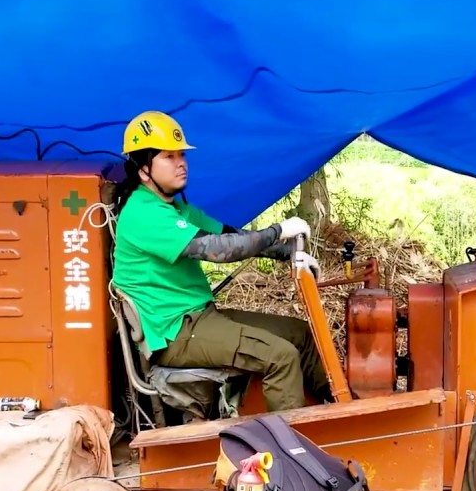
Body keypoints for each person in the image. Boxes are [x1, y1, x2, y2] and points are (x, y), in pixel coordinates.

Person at [110, 110, 332, 412]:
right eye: (169, 157)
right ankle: (290, 450)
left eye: (182, 156)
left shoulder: (176, 209)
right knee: (280, 356)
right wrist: (279, 230)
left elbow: (230, 236)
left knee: (300, 334)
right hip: (176, 334)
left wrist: (290, 252)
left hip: (200, 319)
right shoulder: (143, 214)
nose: (181, 163)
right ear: (143, 168)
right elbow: (218, 250)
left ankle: (336, 408)